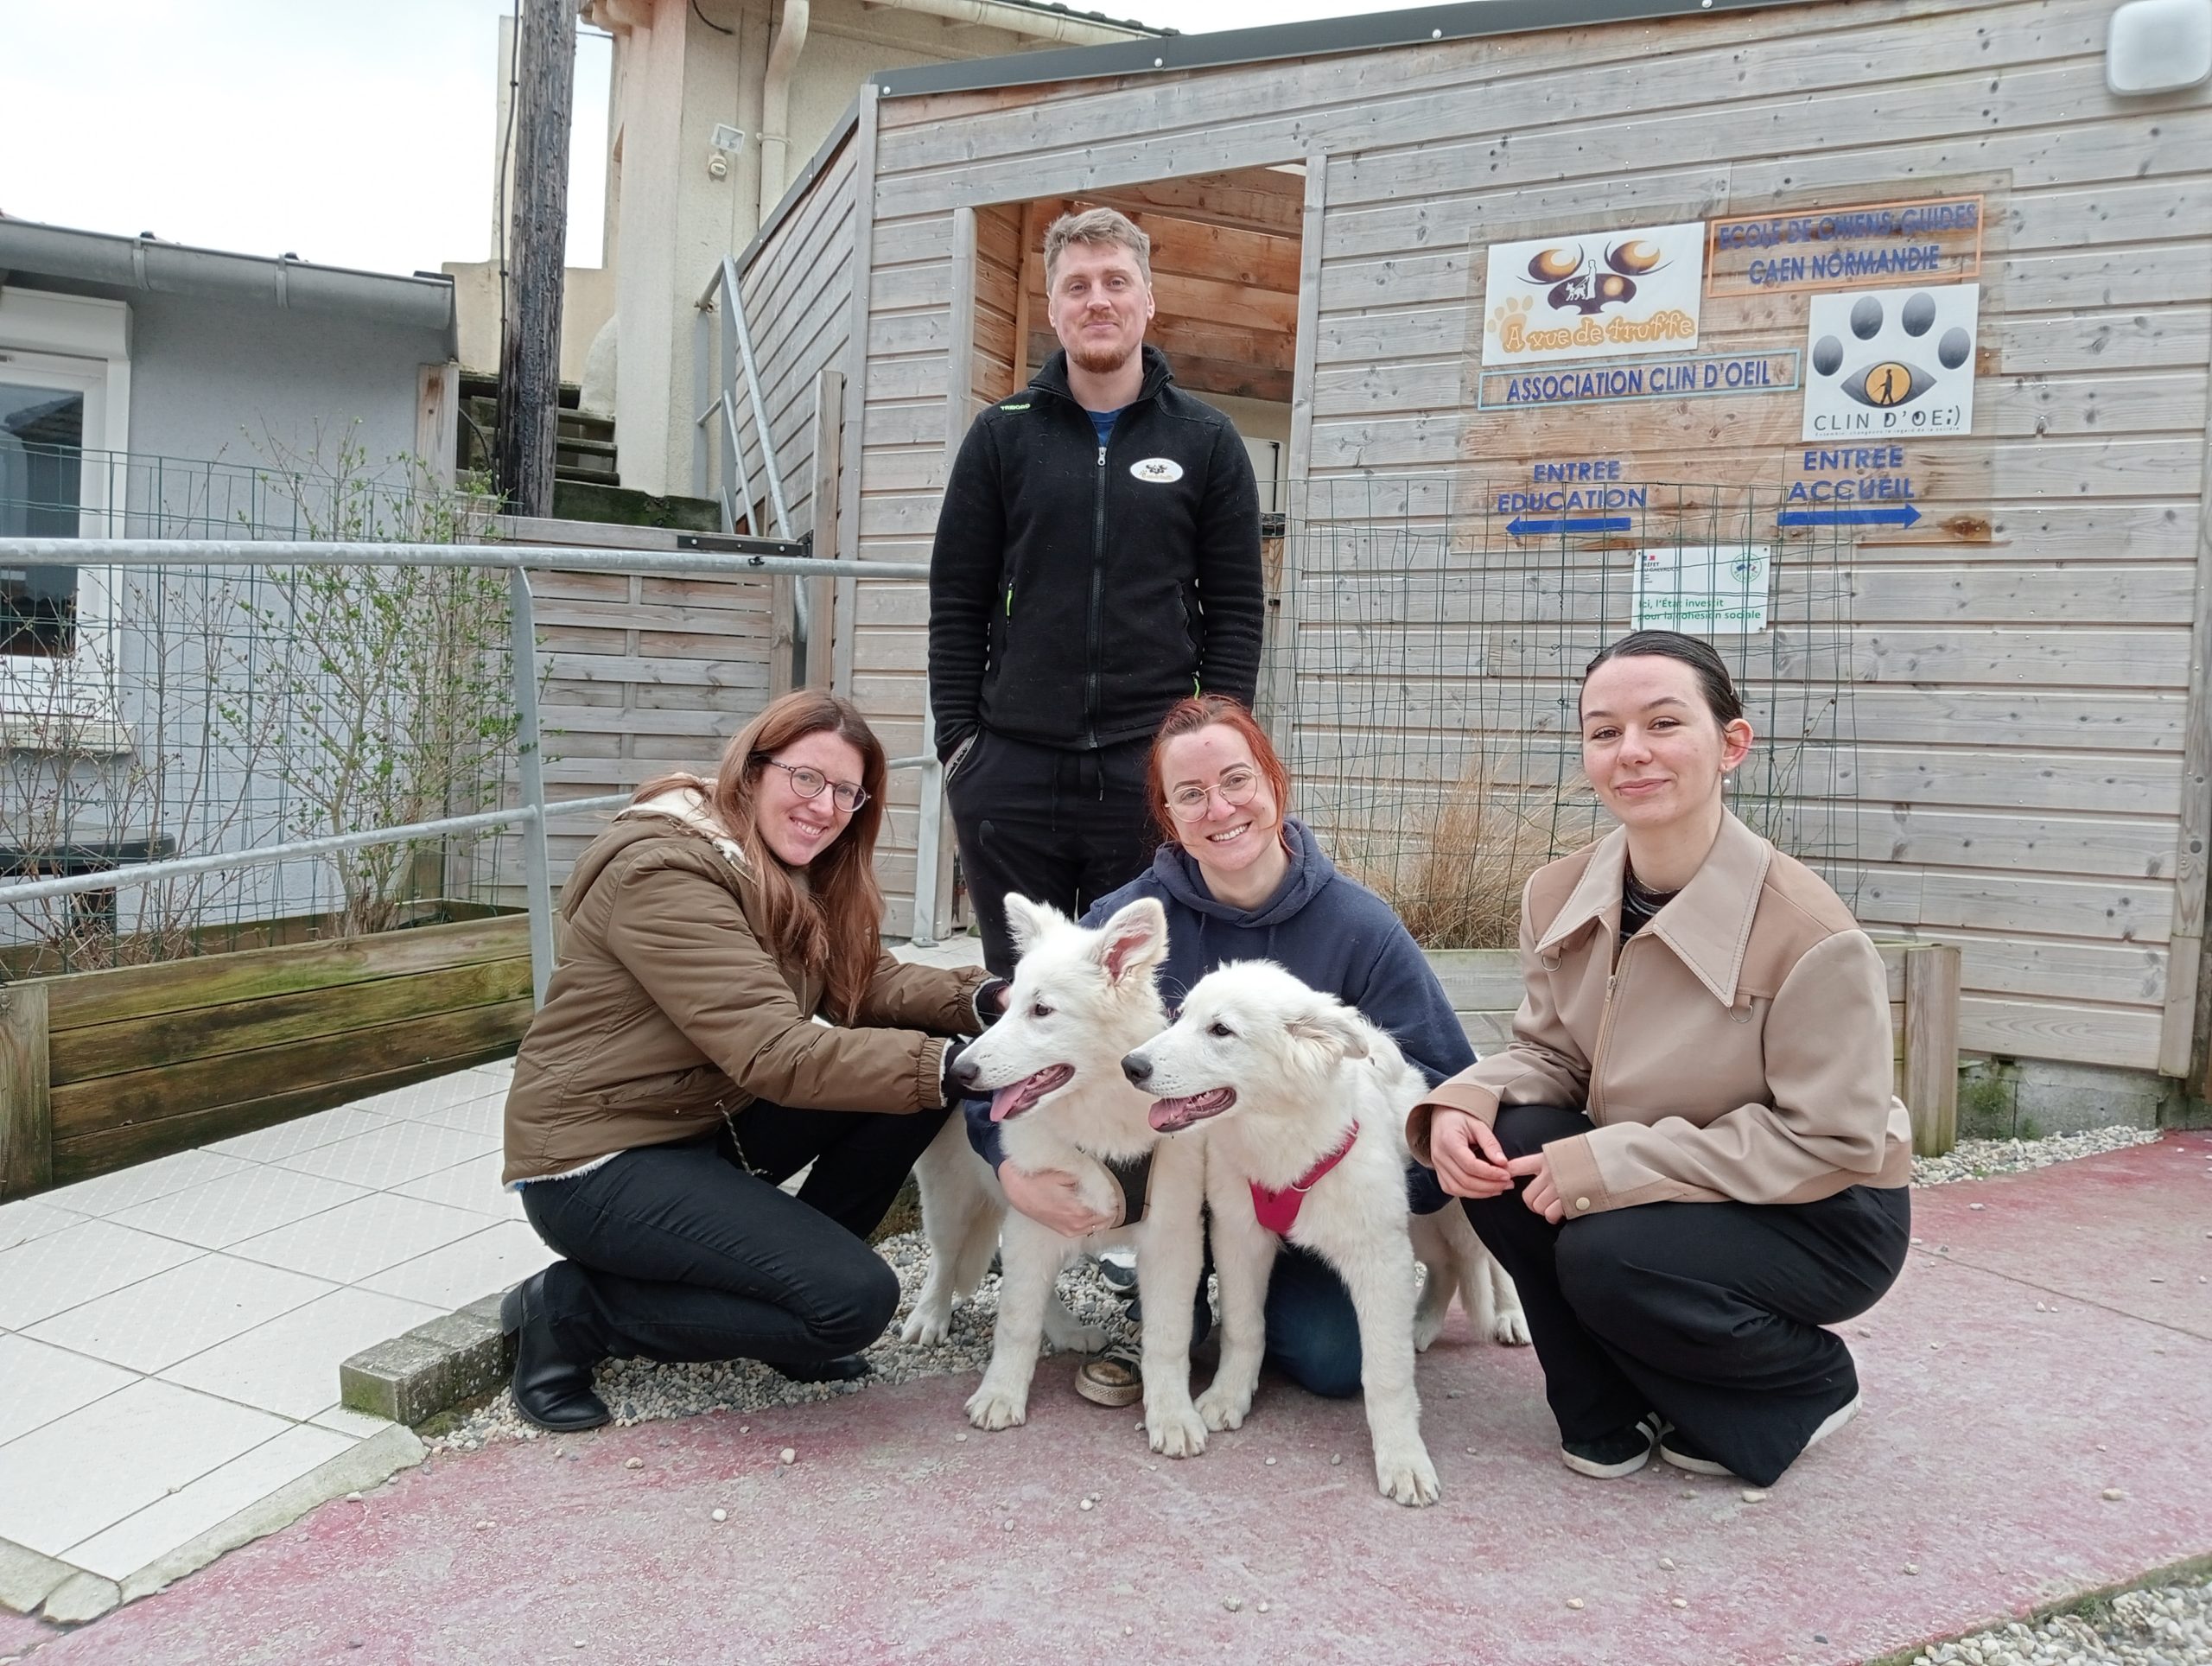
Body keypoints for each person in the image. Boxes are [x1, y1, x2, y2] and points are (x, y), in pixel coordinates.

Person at [1409, 630, 1912, 1489]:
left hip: (1820, 1207)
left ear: (1731, 745)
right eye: (1603, 731)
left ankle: (1804, 1379)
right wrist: (1464, 1102)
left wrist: (1610, 1158)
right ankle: (1601, 1399)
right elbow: (1550, 1055)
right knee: (1501, 1147)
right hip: (1658, 1181)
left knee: (1609, 1257)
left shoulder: (1812, 934)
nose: (1630, 751)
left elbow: (1831, 1139)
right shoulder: (1556, 891)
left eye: (1663, 722)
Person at [499, 690, 1006, 1433]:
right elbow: (775, 1053)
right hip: (594, 1158)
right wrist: (955, 1063)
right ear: (752, 769)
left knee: (912, 1092)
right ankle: (573, 1311)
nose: (824, 806)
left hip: (701, 1123)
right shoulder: (664, 873)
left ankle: (791, 1296)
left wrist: (992, 1001)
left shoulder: (788, 864)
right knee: (855, 1303)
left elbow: (867, 985)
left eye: (846, 792)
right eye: (806, 778)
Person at [967, 693, 1471, 1407]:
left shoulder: (1359, 925)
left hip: (1302, 1187)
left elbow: (1445, 1077)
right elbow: (1022, 1042)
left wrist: (1366, 1193)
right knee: (1174, 1235)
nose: (1221, 808)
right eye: (1191, 794)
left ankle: (1226, 1310)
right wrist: (1006, 1161)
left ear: (1273, 783)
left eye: (1237, 780)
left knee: (1333, 1360)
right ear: (1169, 816)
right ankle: (1162, 1314)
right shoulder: (1127, 921)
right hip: (1168, 1186)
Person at [927, 206, 1265, 978]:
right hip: (1010, 771)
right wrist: (961, 751)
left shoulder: (1206, 441)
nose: (1098, 300)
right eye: (1077, 286)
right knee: (1025, 997)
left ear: (1149, 300)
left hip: (1148, 768)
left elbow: (1239, 611)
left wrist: (1208, 746)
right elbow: (956, 603)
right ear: (1053, 309)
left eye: (1117, 281)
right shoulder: (1001, 436)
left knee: (1141, 995)